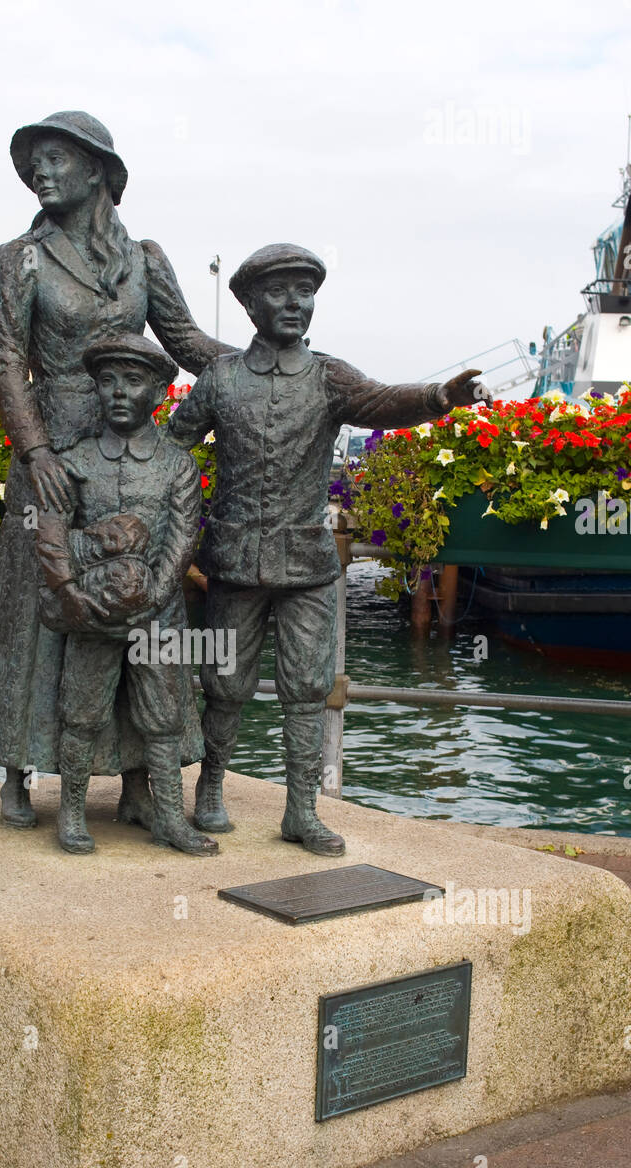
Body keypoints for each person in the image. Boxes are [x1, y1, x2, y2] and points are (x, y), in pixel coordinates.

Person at [170, 243, 491, 855]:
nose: (295, 303)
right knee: (224, 683)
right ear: (248, 302)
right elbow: (172, 448)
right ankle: (209, 789)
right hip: (234, 563)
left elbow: (382, 402)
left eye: (305, 291)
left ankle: (301, 810)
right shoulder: (221, 379)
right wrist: (176, 533)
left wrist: (438, 398)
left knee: (308, 688)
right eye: (279, 291)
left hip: (309, 566)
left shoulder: (329, 376)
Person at [0, 111, 231, 829]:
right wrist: (35, 451)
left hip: (131, 447)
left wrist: (256, 363)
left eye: (54, 159)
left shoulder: (143, 257)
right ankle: (18, 765)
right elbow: (5, 361)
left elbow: (184, 340)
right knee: (38, 602)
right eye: (32, 164)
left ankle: (141, 774)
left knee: (138, 597)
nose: (39, 173)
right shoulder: (19, 257)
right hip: (52, 449)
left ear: (96, 170)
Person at [36, 333, 217, 857]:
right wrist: (71, 593)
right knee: (82, 713)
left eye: (133, 381)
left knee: (164, 717)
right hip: (90, 613)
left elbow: (184, 536)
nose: (118, 392)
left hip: (158, 615)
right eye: (108, 380)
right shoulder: (74, 460)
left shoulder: (177, 466)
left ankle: (167, 817)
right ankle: (71, 813)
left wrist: (155, 595)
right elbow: (50, 532)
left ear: (158, 392)